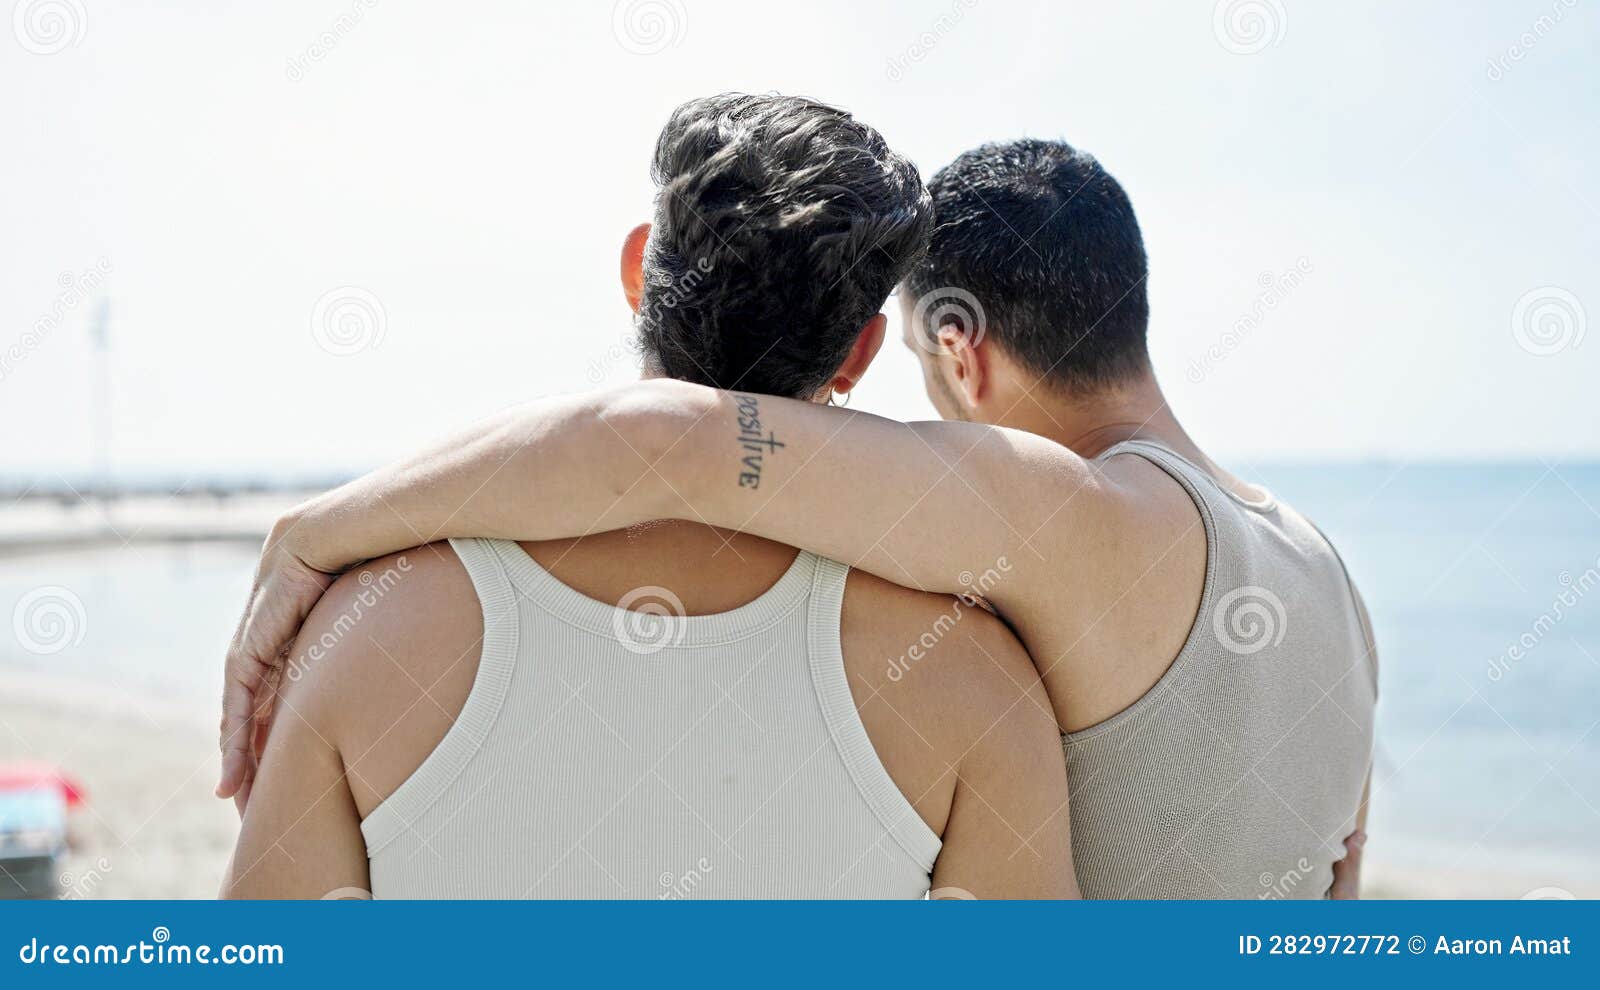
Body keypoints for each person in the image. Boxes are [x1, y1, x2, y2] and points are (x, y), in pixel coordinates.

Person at [223, 137, 1376, 899]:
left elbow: (668, 440)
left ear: (957, 348)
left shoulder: (1067, 515)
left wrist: (314, 533)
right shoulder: (1323, 575)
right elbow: (1338, 887)